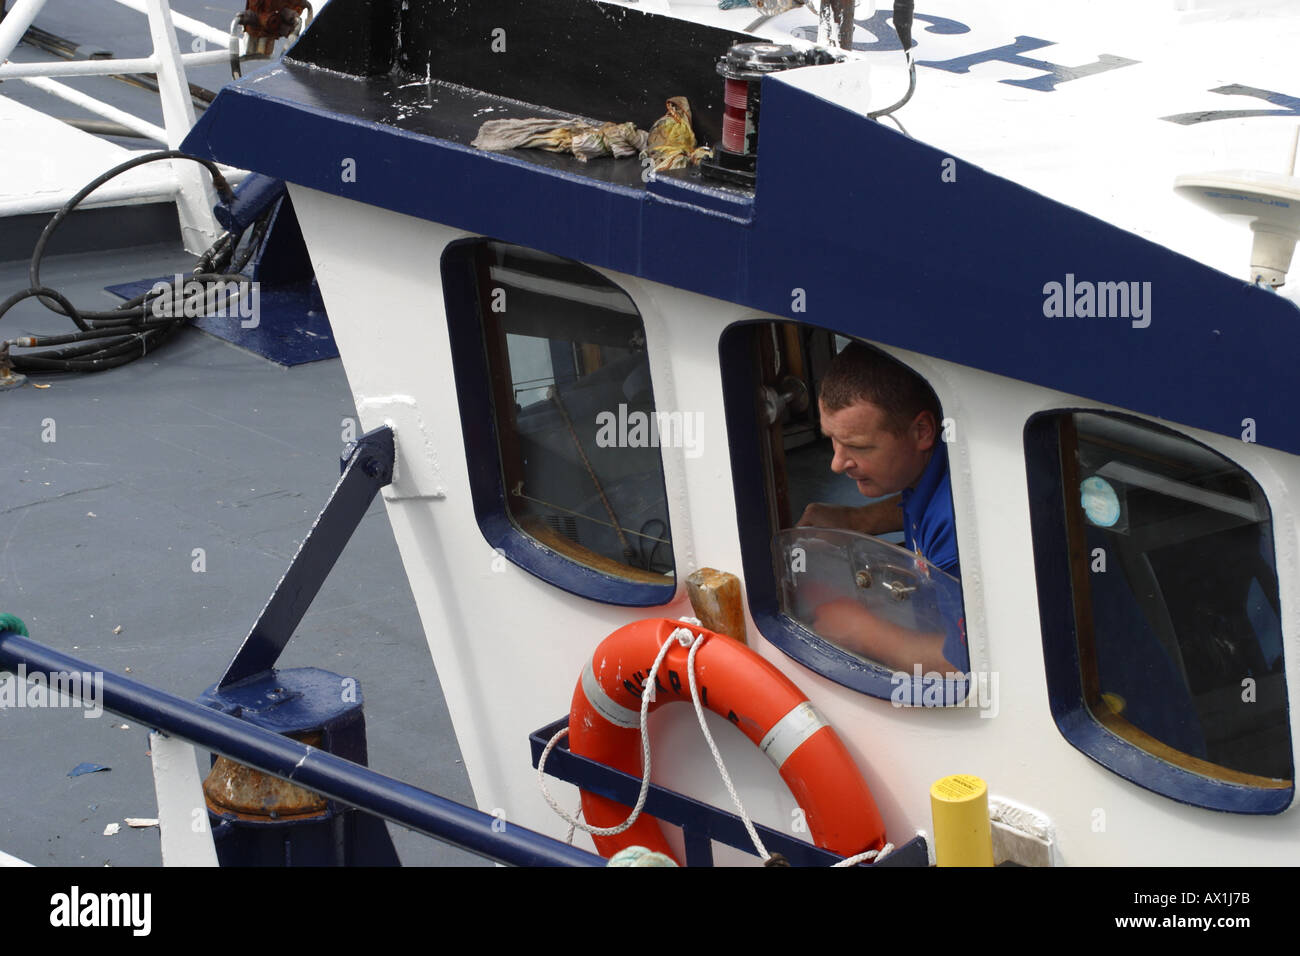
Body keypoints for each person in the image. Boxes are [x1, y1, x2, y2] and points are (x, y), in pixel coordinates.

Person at [796, 342, 965, 673]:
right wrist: (858, 519)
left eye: (858, 446)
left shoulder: (955, 528)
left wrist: (864, 632)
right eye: (832, 439)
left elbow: (966, 666)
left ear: (922, 431)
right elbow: (922, 501)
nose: (836, 463)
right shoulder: (938, 465)